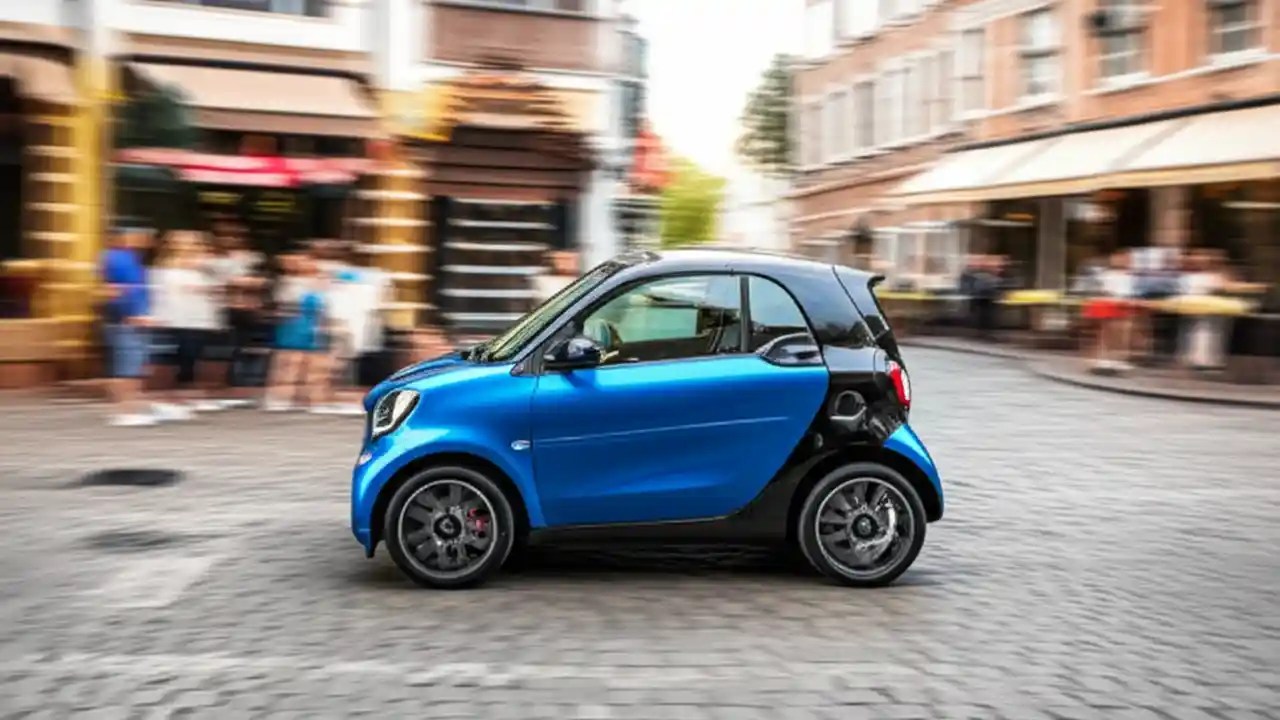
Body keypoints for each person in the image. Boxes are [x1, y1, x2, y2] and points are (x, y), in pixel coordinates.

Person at [147, 231, 221, 421]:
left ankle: (183, 398)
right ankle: (163, 400)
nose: (192, 248)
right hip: (172, 320)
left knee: (190, 360)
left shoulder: (204, 269)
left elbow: (216, 289)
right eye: (187, 244)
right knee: (168, 361)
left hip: (197, 321)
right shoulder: (163, 268)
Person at [99, 225, 155, 427]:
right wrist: (132, 314)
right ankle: (124, 411)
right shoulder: (117, 258)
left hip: (132, 319)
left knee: (132, 365)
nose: (147, 239)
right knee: (127, 367)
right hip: (126, 320)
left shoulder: (130, 258)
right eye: (142, 235)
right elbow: (116, 290)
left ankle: (131, 407)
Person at [264, 251, 327, 411]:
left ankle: (311, 400)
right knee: (288, 364)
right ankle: (279, 398)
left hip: (313, 328)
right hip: (293, 326)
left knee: (313, 367)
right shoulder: (288, 282)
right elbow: (284, 305)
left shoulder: (321, 282)